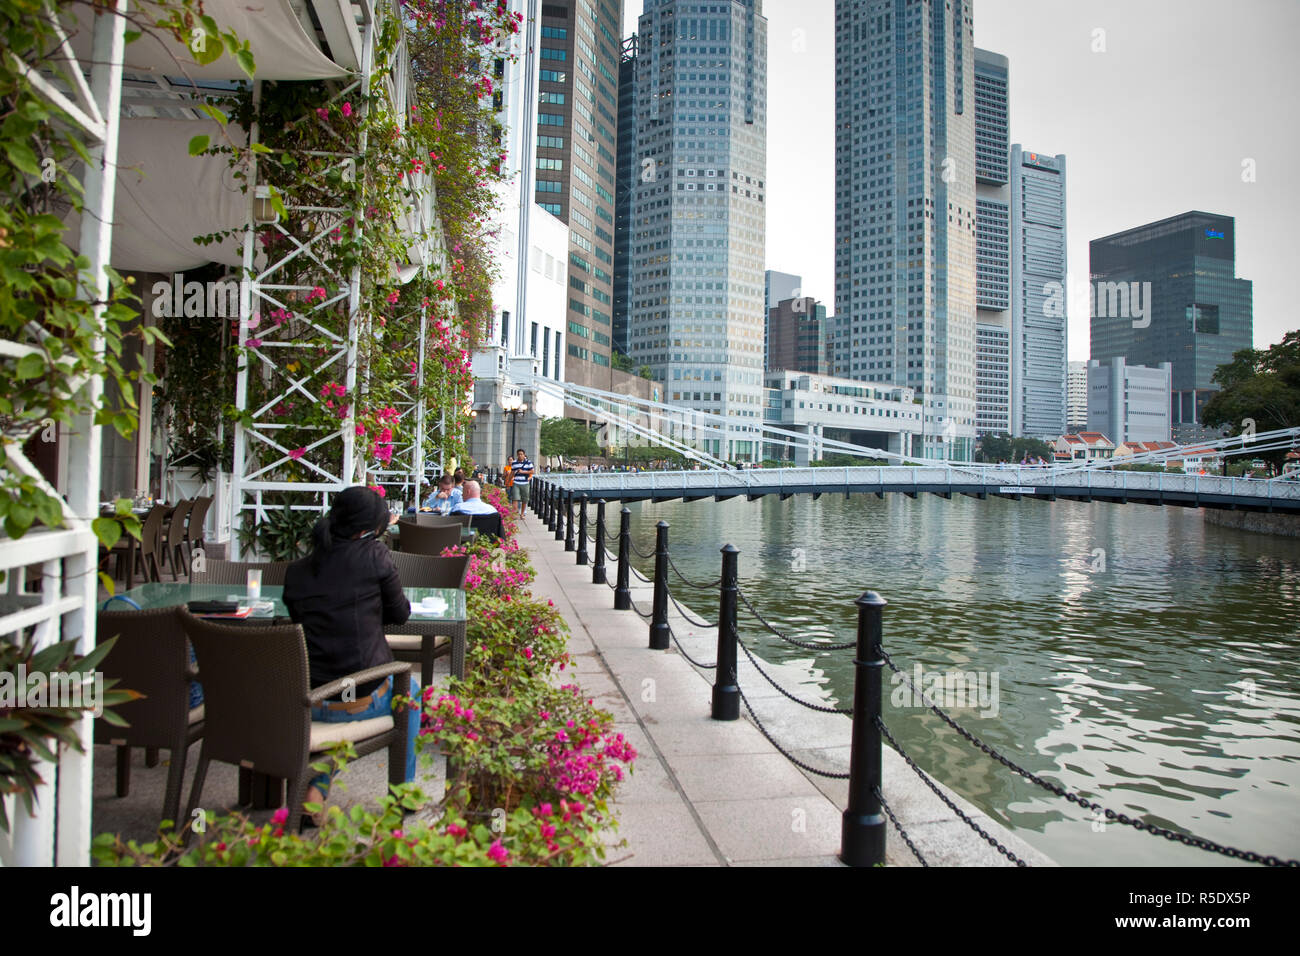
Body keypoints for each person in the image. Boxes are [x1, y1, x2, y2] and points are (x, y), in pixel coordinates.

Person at [282, 486, 419, 826]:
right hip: (355, 697)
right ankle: (403, 794)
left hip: (305, 700)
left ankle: (314, 786)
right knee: (410, 693)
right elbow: (400, 613)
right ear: (371, 527)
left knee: (338, 689)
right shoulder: (375, 555)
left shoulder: (297, 570)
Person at [510, 448, 533, 517]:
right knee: (515, 498)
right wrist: (508, 482)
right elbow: (512, 473)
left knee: (524, 499)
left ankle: (522, 513)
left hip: (525, 483)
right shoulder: (514, 462)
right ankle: (515, 513)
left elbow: (532, 471)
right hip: (516, 482)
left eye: (521, 454)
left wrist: (523, 472)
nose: (520, 455)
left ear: (524, 455)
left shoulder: (528, 462)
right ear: (517, 455)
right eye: (519, 454)